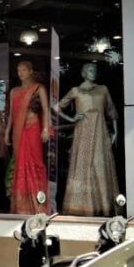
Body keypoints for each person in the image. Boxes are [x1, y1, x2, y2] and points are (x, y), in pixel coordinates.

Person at [53, 63, 119, 216]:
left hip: (100, 130)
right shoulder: (76, 91)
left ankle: (102, 205)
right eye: (89, 70)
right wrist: (71, 118)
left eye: (95, 70)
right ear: (83, 73)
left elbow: (111, 110)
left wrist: (115, 131)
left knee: (99, 163)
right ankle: (81, 206)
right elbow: (56, 107)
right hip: (83, 129)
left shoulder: (103, 89)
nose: (93, 72)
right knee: (82, 164)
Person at [4, 61, 50, 214]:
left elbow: (45, 109)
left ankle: (38, 203)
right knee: (19, 163)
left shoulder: (38, 88)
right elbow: (11, 114)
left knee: (36, 163)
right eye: (18, 70)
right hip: (18, 131)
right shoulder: (14, 91)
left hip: (33, 128)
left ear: (30, 71)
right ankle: (21, 205)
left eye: (23, 70)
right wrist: (7, 131)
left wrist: (46, 129)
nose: (20, 73)